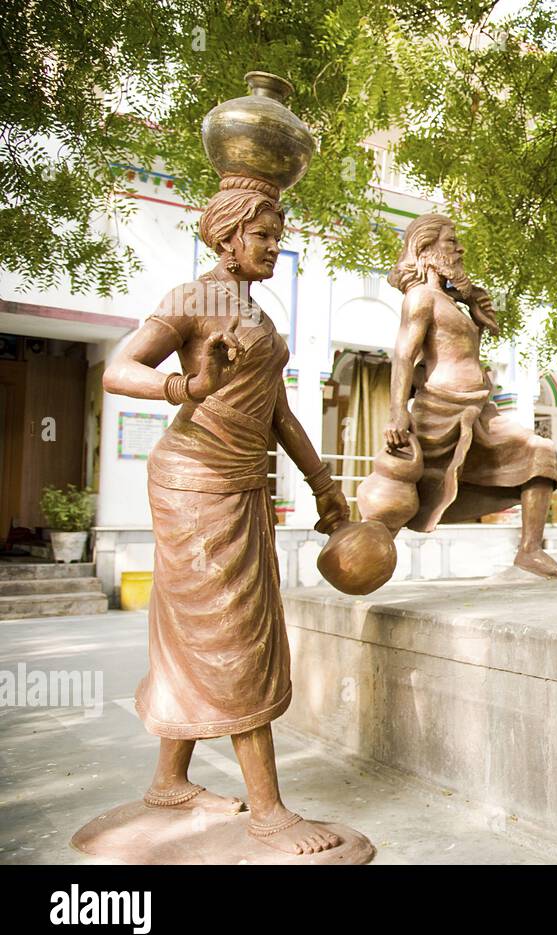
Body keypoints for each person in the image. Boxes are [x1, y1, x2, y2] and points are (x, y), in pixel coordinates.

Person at [103, 177, 353, 854]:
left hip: (241, 483)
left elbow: (277, 412)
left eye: (278, 234)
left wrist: (324, 483)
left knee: (201, 632)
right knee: (231, 635)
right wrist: (186, 385)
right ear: (227, 237)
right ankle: (268, 810)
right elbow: (119, 370)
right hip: (194, 481)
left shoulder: (258, 314)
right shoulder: (192, 299)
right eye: (262, 235)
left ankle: (169, 782)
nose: (275, 246)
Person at [380, 212, 557, 578]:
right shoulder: (420, 297)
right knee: (406, 494)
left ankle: (530, 551)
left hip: (479, 409)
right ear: (425, 249)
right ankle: (363, 550)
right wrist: (396, 412)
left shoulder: (449, 302)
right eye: (450, 241)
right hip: (441, 409)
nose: (459, 248)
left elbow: (472, 341)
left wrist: (471, 302)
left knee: (541, 452)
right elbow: (404, 355)